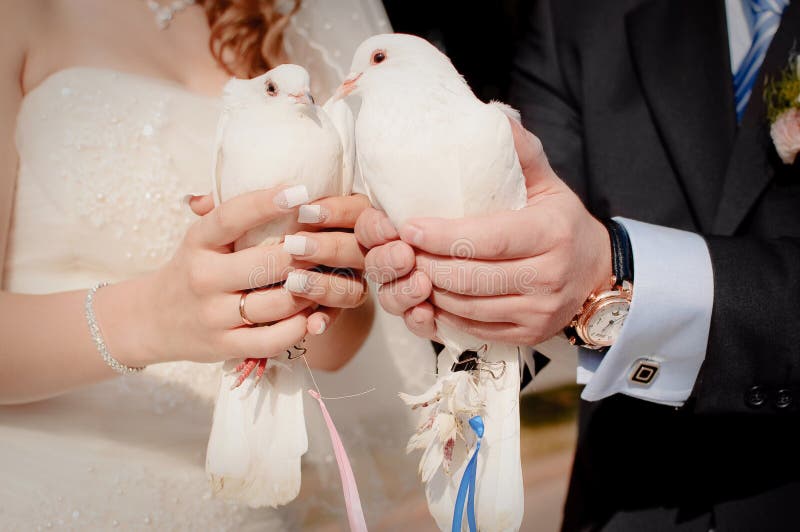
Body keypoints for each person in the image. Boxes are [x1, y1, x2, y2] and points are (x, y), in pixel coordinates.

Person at [357, 0, 800, 530]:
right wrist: (448, 281)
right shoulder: (578, 15)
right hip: (627, 492)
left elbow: (581, 257)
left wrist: (615, 274)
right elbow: (533, 219)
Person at [0, 0, 433, 529]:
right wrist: (155, 318)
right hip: (47, 473)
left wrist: (329, 278)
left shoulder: (287, 19)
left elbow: (335, 347)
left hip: (252, 468)